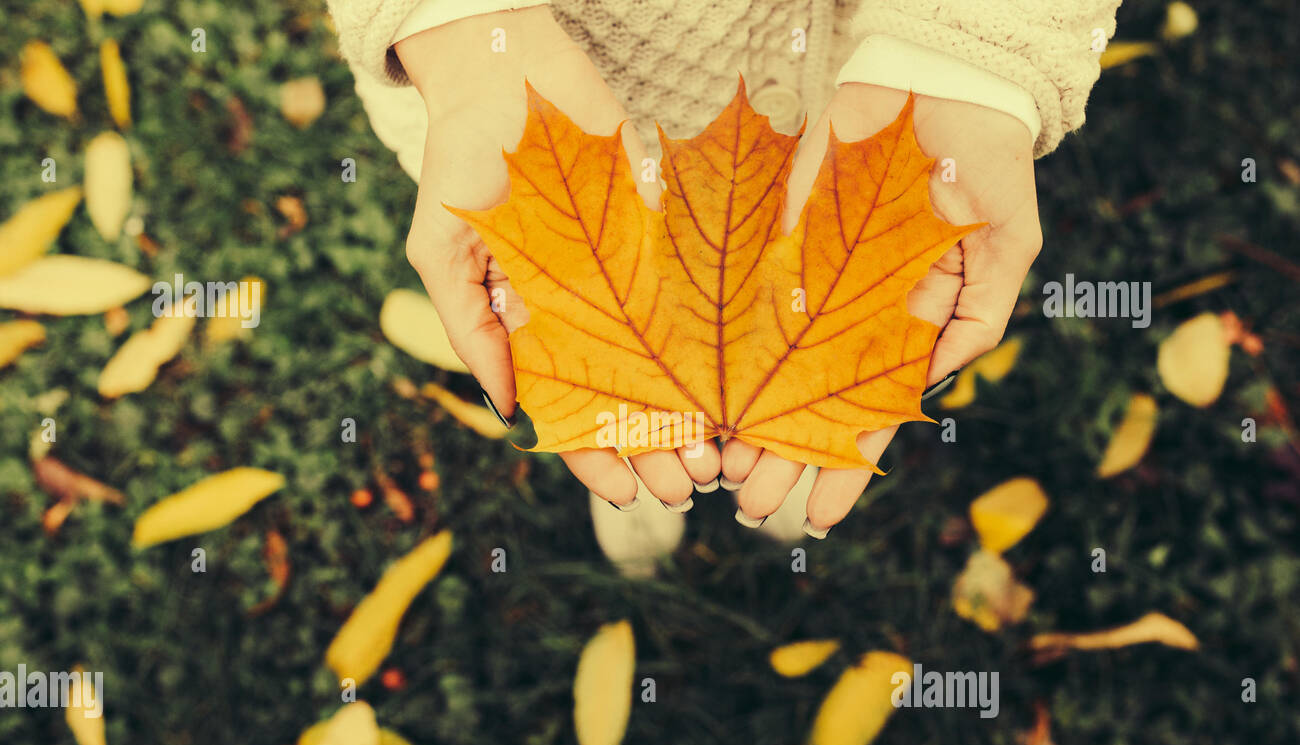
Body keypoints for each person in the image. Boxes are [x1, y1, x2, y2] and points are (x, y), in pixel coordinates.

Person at [326, 0, 1121, 538]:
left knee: (741, 350)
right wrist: (466, 38)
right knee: (591, 348)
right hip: (518, 96)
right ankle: (666, 444)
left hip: (868, 61)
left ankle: (754, 437)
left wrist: (971, 62)